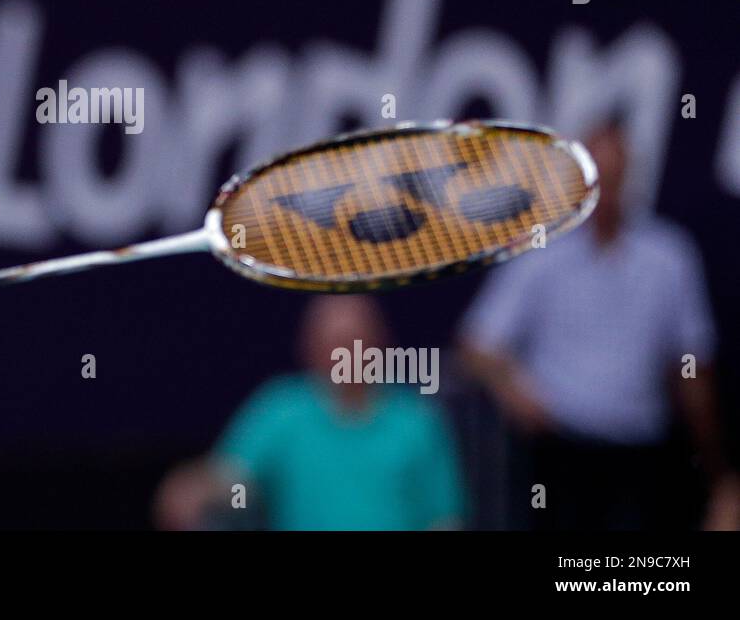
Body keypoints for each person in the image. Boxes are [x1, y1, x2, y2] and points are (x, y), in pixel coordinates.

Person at [458, 118, 740, 530]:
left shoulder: (667, 257)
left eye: (615, 177)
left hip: (641, 455)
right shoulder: (541, 252)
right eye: (596, 178)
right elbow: (477, 344)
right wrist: (516, 392)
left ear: (631, 178)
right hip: (560, 454)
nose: (605, 192)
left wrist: (715, 462)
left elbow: (692, 365)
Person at [154, 294, 466, 530]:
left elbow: (443, 518)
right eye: (336, 344)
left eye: (357, 342)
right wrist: (197, 489)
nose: (347, 355)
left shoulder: (417, 419)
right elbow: (234, 480)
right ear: (310, 347)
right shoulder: (282, 410)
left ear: (381, 345)